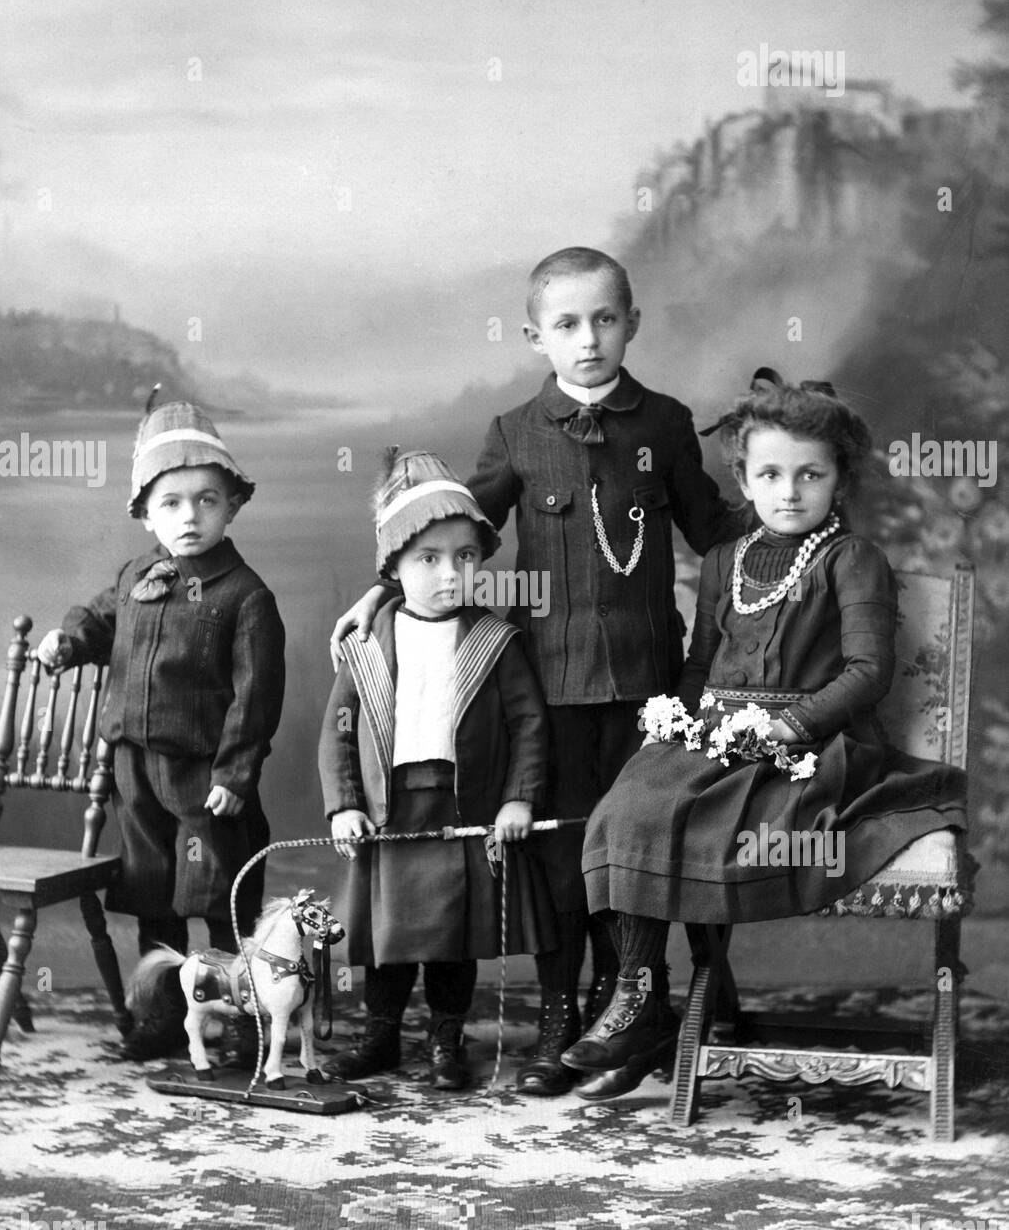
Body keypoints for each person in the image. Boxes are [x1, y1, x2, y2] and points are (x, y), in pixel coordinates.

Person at [329, 247, 738, 1098]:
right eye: (565, 325)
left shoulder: (663, 423)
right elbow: (445, 526)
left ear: (631, 324)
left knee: (637, 841)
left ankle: (628, 1000)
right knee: (557, 857)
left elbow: (714, 532)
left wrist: (795, 537)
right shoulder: (514, 433)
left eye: (603, 320)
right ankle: (560, 1020)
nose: (586, 341)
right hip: (548, 686)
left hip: (650, 688)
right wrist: (378, 595)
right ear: (533, 336)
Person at [564, 370, 969, 1077]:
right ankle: (638, 995)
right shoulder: (724, 559)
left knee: (713, 819)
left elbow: (866, 671)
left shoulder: (851, 560)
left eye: (809, 474)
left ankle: (669, 997)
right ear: (744, 481)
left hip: (807, 750)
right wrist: (677, 729)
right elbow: (699, 663)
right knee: (626, 807)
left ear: (837, 481)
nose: (789, 491)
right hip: (718, 737)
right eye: (770, 474)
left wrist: (791, 728)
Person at [37, 396, 285, 1062]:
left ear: (232, 506)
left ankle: (239, 1019)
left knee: (219, 896)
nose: (190, 516)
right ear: (145, 513)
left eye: (207, 500)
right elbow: (99, 617)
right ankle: (163, 1015)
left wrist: (236, 775)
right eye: (171, 503)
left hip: (204, 776)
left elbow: (255, 699)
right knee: (155, 894)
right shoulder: (135, 576)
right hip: (135, 770)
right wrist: (68, 639)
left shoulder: (245, 596)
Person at [319, 449, 554, 1091]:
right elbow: (338, 732)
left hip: (460, 811)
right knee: (389, 938)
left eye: (466, 557)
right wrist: (344, 803)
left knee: (452, 938)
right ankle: (380, 1037)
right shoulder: (367, 643)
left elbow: (529, 725)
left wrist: (518, 800)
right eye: (428, 559)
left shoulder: (494, 640)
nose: (451, 574)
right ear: (392, 567)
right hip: (390, 811)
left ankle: (446, 1040)